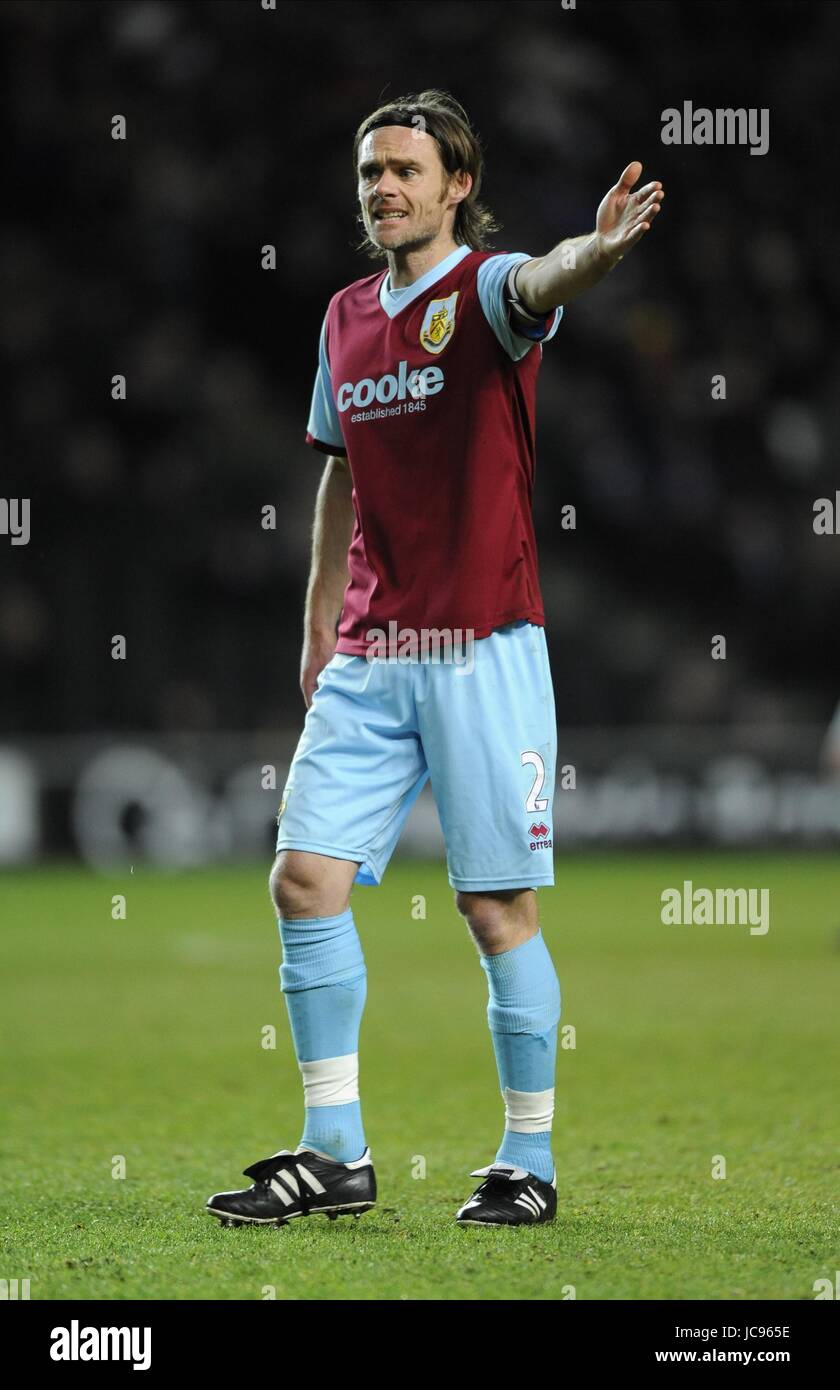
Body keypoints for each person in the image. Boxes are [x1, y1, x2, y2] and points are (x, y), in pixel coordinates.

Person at [207, 89, 663, 1229]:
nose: (384, 189)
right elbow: (339, 471)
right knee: (303, 879)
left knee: (495, 907)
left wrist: (595, 253)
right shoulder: (345, 315)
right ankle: (336, 1151)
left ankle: (527, 1160)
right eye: (370, 172)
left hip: (482, 648)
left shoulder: (487, 293)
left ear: (457, 185)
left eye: (406, 170)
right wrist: (319, 617)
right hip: (370, 648)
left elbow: (546, 277)